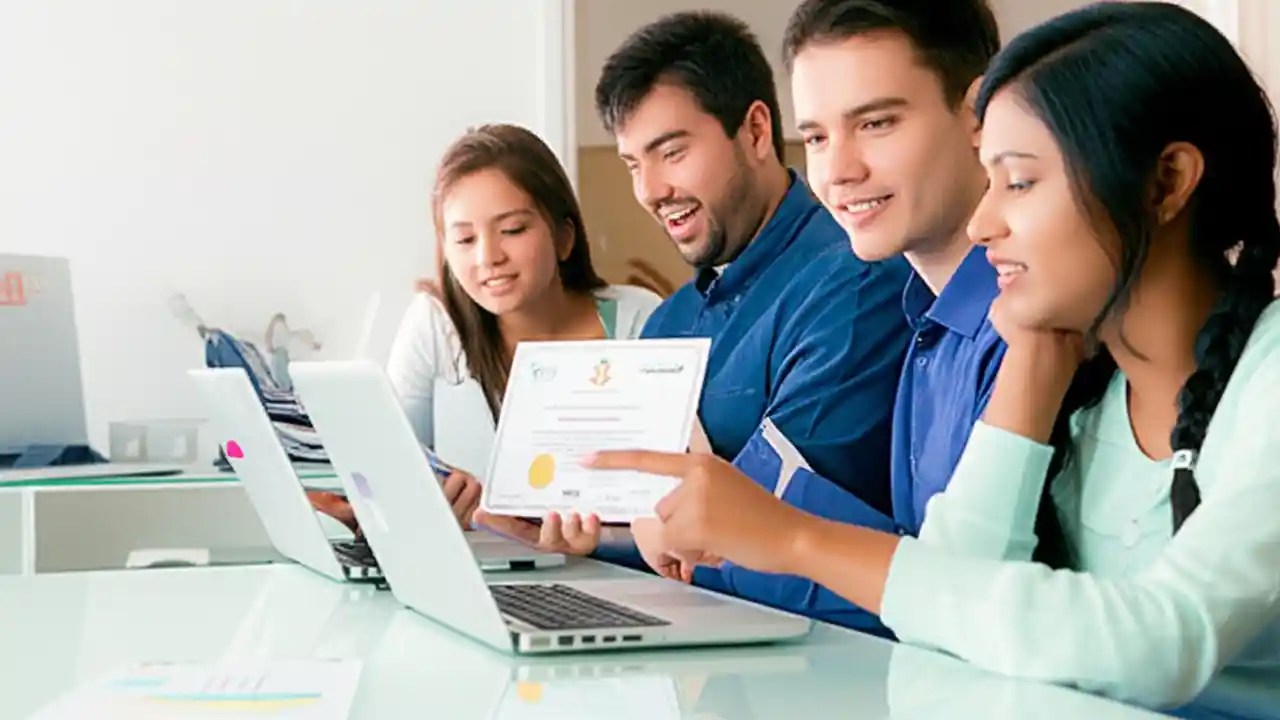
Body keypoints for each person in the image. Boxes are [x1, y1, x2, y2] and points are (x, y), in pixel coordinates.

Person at [590, 2, 1280, 708]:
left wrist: (796, 538)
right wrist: (1033, 363)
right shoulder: (1083, 395)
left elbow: (1160, 640)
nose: (984, 222)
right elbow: (952, 606)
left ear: (1165, 182)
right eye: (818, 136)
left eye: (1019, 182)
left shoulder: (1263, 377)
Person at [482, 11, 913, 632]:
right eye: (633, 164)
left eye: (672, 152)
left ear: (756, 131)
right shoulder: (670, 321)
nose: (651, 190)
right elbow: (662, 532)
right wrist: (585, 536)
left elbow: (784, 535)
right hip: (694, 635)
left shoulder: (855, 280)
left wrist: (660, 533)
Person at [310, 123, 661, 534]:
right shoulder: (435, 324)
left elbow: (666, 505)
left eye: (512, 230)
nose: (488, 257)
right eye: (464, 239)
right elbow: (389, 470)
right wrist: (410, 505)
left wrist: (600, 539)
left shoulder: (639, 319)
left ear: (564, 237)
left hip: (612, 566)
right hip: (477, 565)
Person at [784, 0, 1004, 538]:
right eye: (816, 138)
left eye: (875, 123)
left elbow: (968, 581)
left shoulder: (1023, 321)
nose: (838, 171)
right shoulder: (924, 311)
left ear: (978, 115)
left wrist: (766, 536)